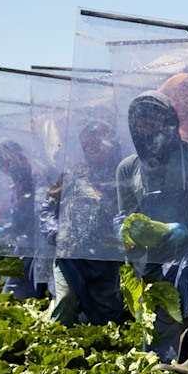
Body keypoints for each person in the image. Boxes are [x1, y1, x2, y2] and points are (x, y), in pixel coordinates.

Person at [116, 91, 188, 374]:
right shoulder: (129, 168)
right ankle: (166, 366)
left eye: (157, 120)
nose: (150, 128)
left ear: (171, 122)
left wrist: (186, 229)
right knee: (157, 310)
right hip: (154, 256)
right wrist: (124, 231)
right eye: (141, 122)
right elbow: (123, 214)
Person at [42, 119, 125, 326]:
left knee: (108, 317)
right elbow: (48, 206)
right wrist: (54, 232)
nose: (92, 148)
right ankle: (55, 348)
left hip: (105, 259)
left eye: (97, 142)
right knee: (65, 299)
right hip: (70, 253)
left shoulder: (121, 174)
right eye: (87, 144)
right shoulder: (73, 173)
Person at [0, 138, 47, 299]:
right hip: (25, 242)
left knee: (20, 291)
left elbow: (36, 210)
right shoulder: (18, 176)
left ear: (11, 155)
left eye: (1, 161)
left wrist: (13, 225)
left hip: (36, 242)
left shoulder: (32, 172)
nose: (2, 168)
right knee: (21, 290)